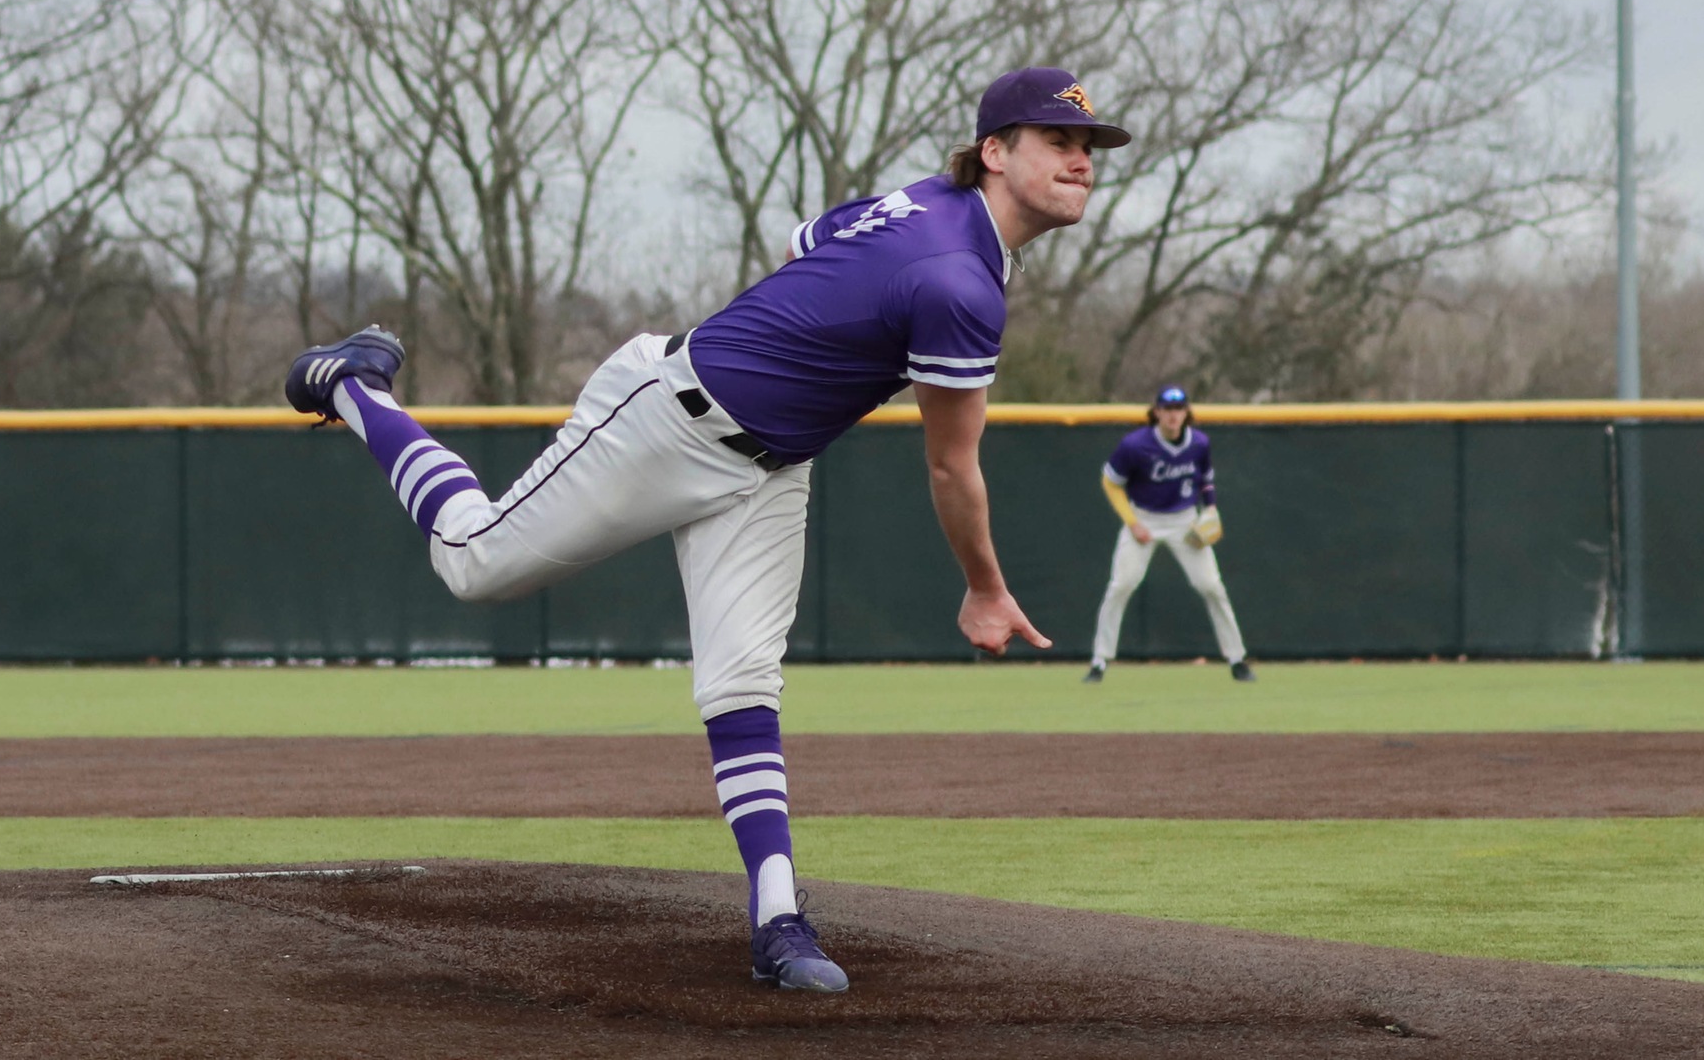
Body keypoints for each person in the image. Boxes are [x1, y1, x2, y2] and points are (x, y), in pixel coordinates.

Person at [284, 67, 1128, 993]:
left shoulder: (928, 210)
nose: (1079, 161)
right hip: (670, 418)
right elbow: (949, 464)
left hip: (770, 464)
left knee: (741, 683)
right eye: (1056, 141)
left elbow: (816, 239)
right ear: (995, 151)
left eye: (1087, 148)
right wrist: (982, 585)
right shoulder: (958, 277)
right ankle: (356, 388)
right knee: (472, 561)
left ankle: (778, 921)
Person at [1082, 385, 1255, 684]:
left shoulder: (1199, 443)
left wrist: (1210, 510)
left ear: (1186, 413)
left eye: (1179, 409)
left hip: (1185, 520)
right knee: (1121, 585)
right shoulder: (1135, 445)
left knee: (1212, 586)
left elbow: (1206, 480)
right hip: (1144, 518)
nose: (1174, 415)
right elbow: (1111, 483)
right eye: (1167, 409)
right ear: (1157, 412)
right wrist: (1132, 521)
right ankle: (1099, 661)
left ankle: (1237, 658)